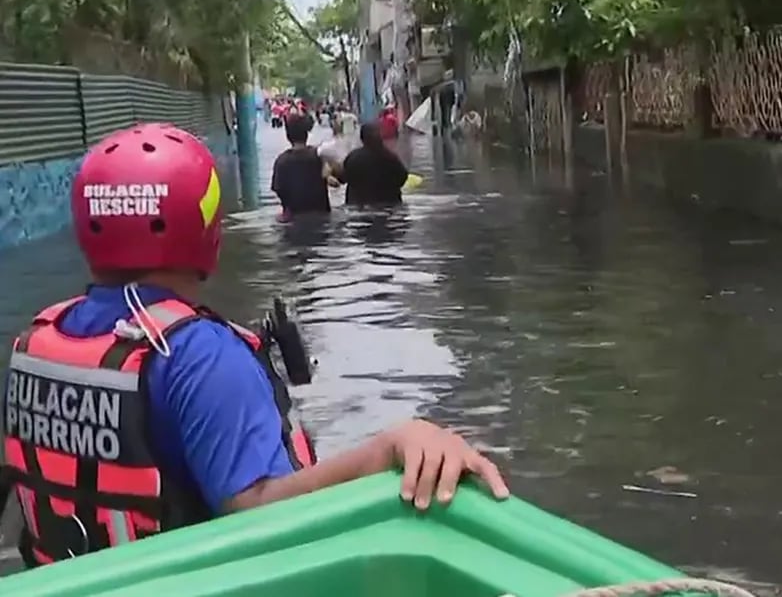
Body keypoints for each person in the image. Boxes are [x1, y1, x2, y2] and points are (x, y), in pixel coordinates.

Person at [0, 123, 507, 569]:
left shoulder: (37, 340)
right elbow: (264, 517)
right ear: (205, 232)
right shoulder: (199, 355)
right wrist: (390, 446)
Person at [271, 114, 333, 217]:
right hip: (321, 213)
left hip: (293, 215)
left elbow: (278, 188)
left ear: (288, 136)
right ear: (306, 135)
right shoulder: (318, 155)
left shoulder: (281, 161)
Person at [341, 122, 409, 207]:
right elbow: (403, 177)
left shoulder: (353, 158)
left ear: (362, 138)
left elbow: (343, 178)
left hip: (358, 205)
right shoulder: (390, 158)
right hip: (389, 205)